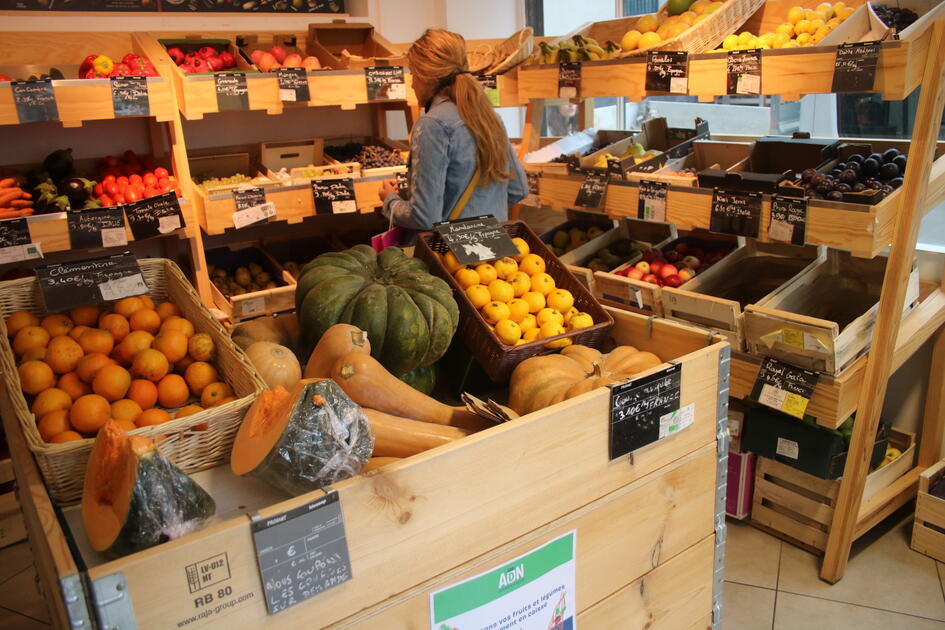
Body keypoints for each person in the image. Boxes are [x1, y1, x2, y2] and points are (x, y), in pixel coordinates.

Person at [379, 29, 528, 234]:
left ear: (427, 77)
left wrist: (390, 201)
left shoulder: (432, 125)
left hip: (453, 258)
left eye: (413, 74)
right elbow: (518, 190)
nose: (412, 83)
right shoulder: (488, 116)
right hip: (496, 254)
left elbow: (425, 217)